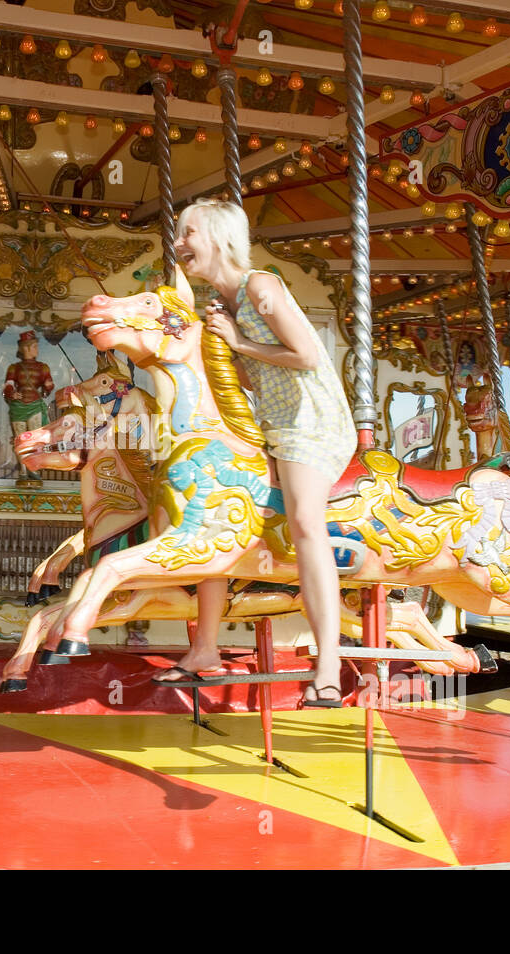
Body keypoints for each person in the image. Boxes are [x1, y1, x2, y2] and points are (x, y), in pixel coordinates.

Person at [158, 198, 357, 707]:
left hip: (311, 422)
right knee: (211, 511)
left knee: (307, 523)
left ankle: (329, 666)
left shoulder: (260, 287)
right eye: (178, 234)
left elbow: (308, 356)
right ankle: (204, 648)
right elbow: (256, 377)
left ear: (220, 238)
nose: (179, 244)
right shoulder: (228, 304)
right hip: (274, 422)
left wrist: (239, 341)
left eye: (188, 233)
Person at [3, 330, 54, 482]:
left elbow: (48, 385)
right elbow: (8, 385)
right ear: (26, 348)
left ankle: (33, 468)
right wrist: (12, 393)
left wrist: (48, 386)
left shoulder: (43, 367)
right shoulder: (14, 368)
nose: (37, 350)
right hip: (18, 407)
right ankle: (23, 471)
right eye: (35, 346)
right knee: (20, 440)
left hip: (34, 406)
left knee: (34, 440)